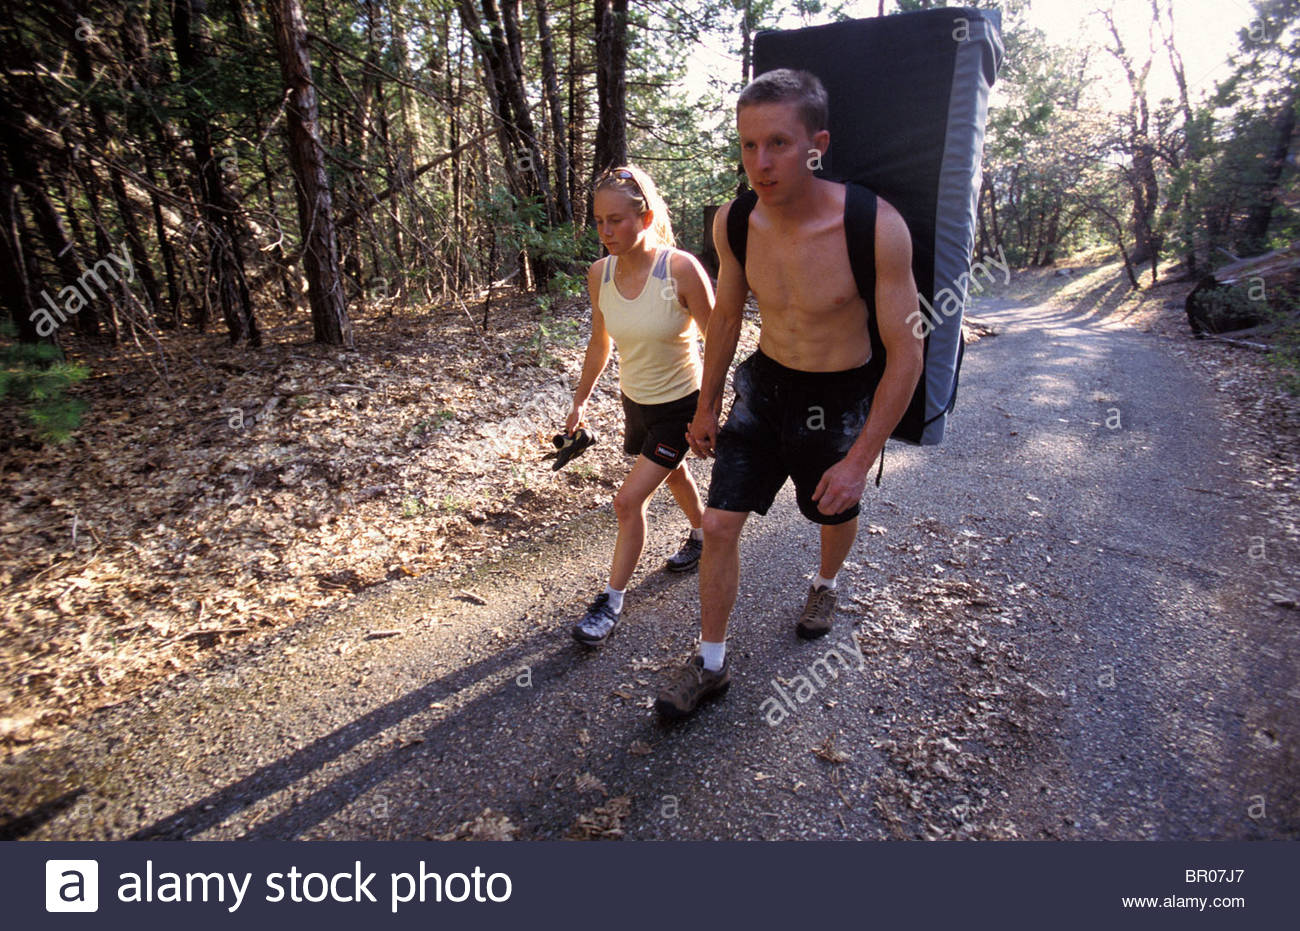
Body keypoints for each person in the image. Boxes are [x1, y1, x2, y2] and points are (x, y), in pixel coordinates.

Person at [654, 69, 923, 718]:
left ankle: (826, 583)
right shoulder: (737, 220)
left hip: (839, 395)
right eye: (747, 146)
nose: (760, 163)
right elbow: (725, 315)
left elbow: (908, 351)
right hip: (767, 385)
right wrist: (706, 400)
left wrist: (858, 460)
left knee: (830, 508)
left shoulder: (874, 226)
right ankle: (711, 663)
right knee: (718, 524)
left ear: (816, 144)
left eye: (777, 143)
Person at [568, 165, 716, 645]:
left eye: (617, 220)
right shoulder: (600, 274)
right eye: (598, 221)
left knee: (628, 502)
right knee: (673, 473)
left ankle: (610, 602)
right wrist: (579, 402)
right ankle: (702, 534)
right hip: (637, 402)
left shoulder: (679, 270)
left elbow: (718, 342)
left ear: (645, 217)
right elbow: (599, 342)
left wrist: (708, 411)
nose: (606, 231)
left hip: (680, 407)